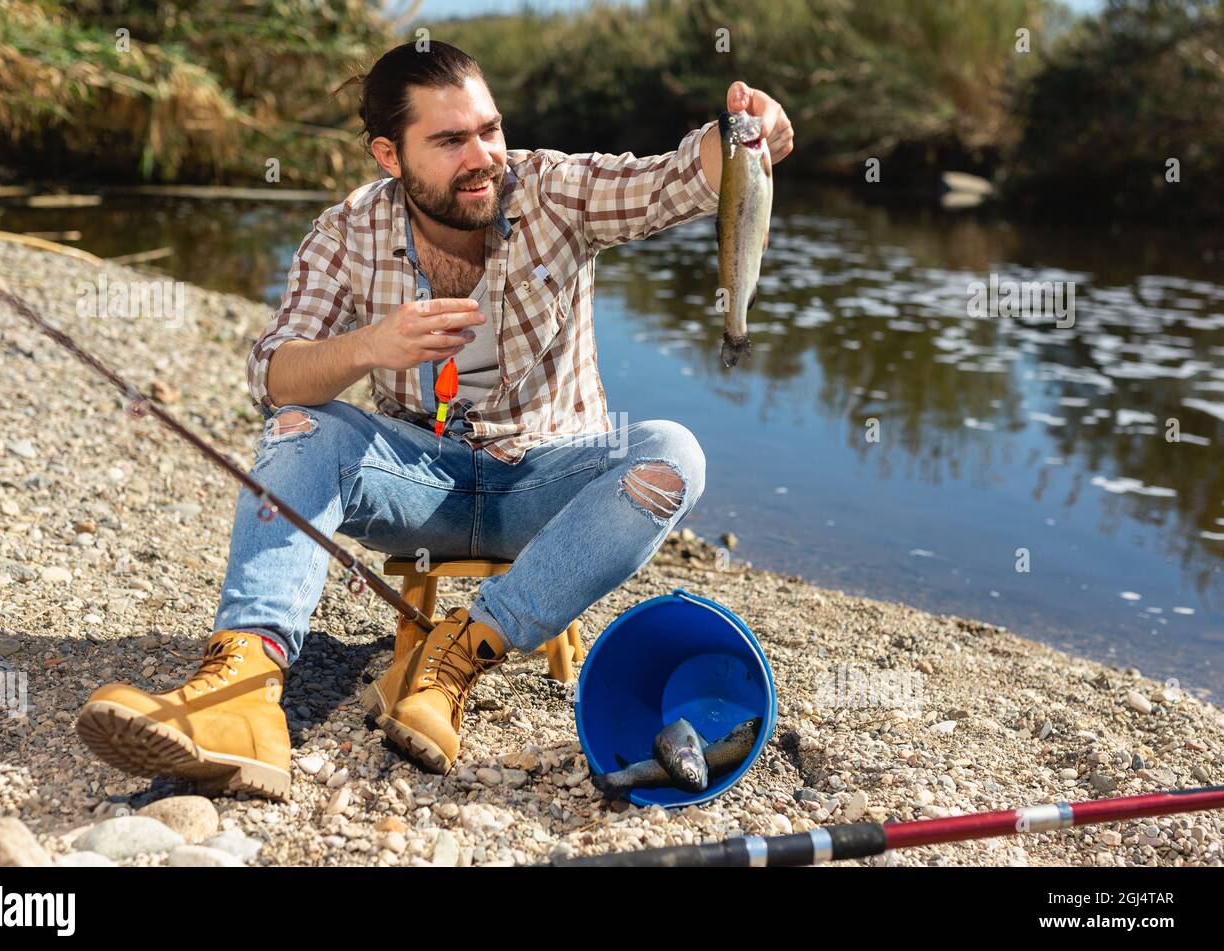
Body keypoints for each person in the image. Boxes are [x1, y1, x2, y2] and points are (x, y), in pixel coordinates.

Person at [76, 40, 794, 801]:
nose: (482, 155)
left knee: (672, 453)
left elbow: (680, 178)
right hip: (419, 488)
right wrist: (370, 345)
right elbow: (274, 375)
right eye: (450, 141)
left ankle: (460, 651)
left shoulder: (554, 189)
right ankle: (242, 693)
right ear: (389, 154)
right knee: (301, 428)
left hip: (545, 489)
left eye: (489, 129)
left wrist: (742, 131)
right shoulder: (345, 231)